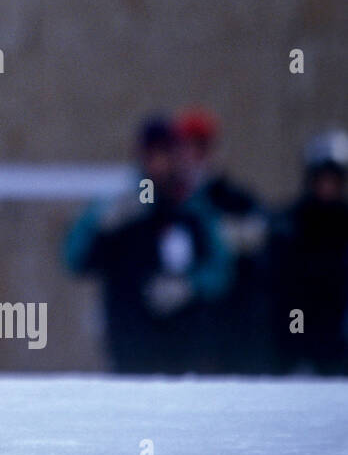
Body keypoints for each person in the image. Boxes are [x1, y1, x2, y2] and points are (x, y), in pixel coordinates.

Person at [65, 115, 233, 374]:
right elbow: (75, 259)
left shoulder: (192, 210)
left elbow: (219, 269)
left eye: (165, 154)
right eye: (152, 154)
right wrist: (100, 226)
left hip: (185, 347)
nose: (159, 163)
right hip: (130, 343)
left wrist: (189, 286)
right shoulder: (120, 208)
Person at [175, 108, 270, 373]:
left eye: (200, 146)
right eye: (187, 147)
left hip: (233, 331)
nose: (193, 156)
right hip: (182, 338)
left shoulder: (236, 200)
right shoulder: (167, 201)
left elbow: (265, 247)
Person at [268, 130, 348, 375]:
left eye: (332, 179)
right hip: (300, 321)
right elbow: (282, 284)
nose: (326, 186)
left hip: (337, 327)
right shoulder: (291, 222)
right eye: (321, 179)